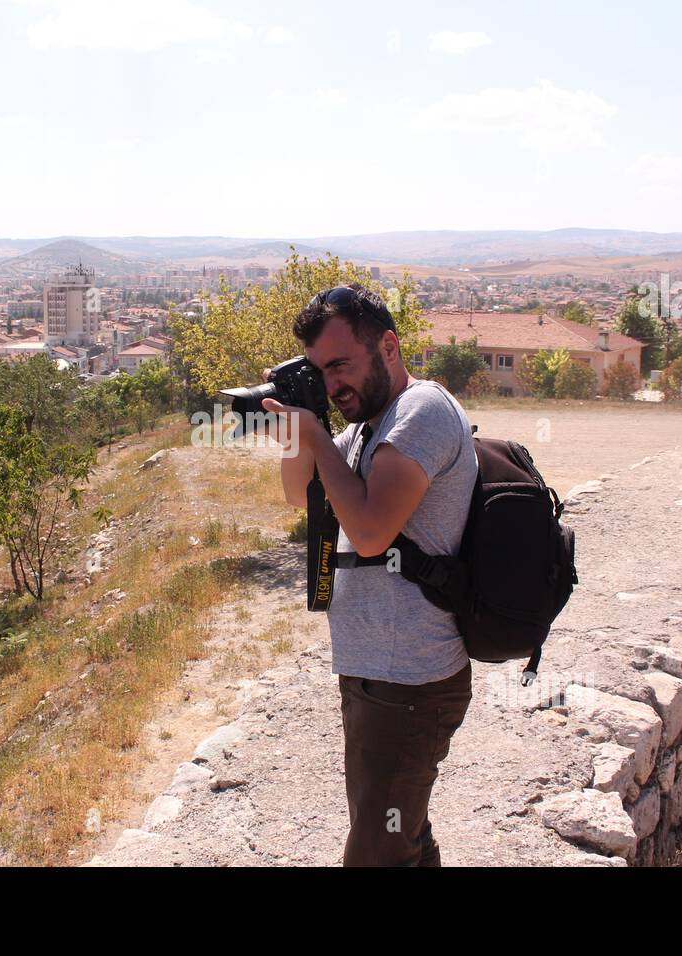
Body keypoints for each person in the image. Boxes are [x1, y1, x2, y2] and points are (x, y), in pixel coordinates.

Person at [262, 283, 479, 866]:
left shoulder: (421, 412)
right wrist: (298, 435)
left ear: (388, 346)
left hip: (410, 680)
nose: (334, 386)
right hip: (374, 671)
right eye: (320, 372)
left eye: (341, 366)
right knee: (400, 835)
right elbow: (295, 495)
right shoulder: (363, 427)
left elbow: (370, 531)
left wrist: (313, 435)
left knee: (376, 854)